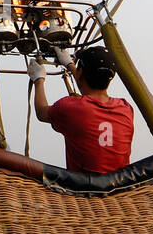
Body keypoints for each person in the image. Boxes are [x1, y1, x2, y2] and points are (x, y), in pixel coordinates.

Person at [29, 45, 135, 174]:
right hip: (118, 187)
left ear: (80, 73)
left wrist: (38, 79)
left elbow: (41, 112)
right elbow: (89, 94)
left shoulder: (69, 108)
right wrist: (69, 64)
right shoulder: (125, 109)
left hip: (84, 191)